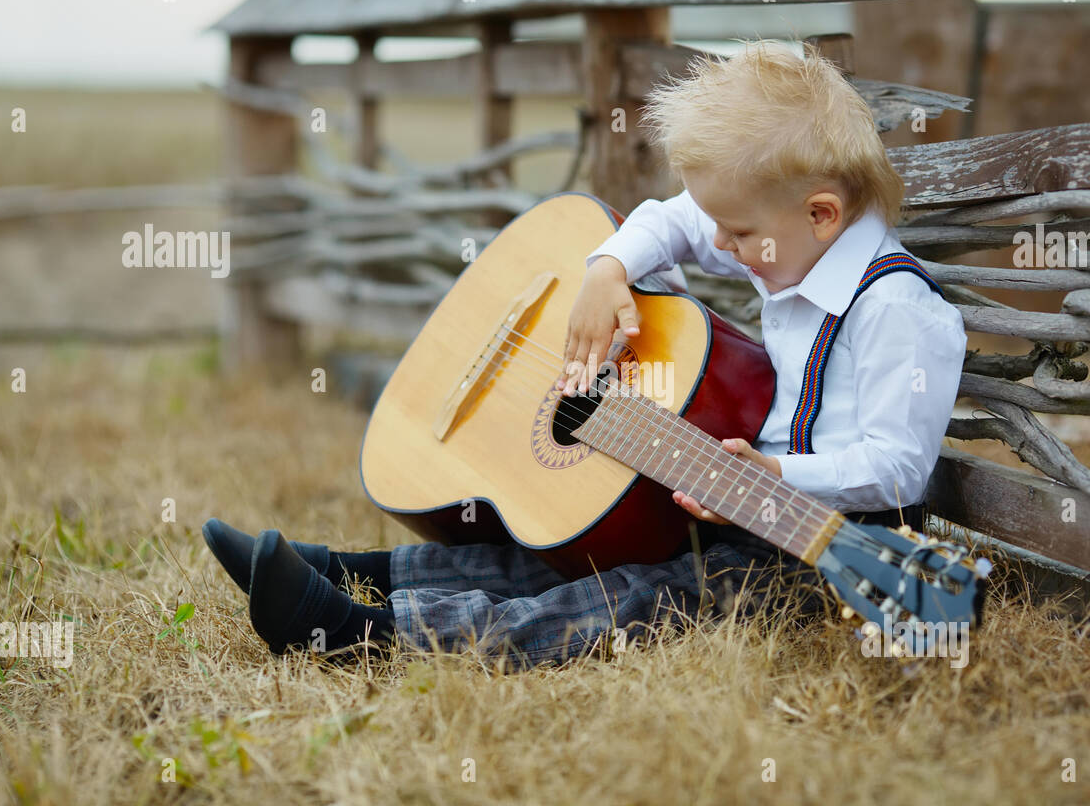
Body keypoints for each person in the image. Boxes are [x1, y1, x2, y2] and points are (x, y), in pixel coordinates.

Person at [202, 38, 968, 668]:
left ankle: (370, 639)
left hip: (818, 552)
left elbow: (899, 465)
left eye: (735, 234)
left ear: (824, 214)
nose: (723, 248)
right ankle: (352, 574)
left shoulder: (899, 312)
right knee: (554, 552)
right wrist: (608, 268)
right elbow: (672, 220)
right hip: (744, 510)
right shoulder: (785, 233)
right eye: (722, 231)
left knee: (631, 596)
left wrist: (775, 476)